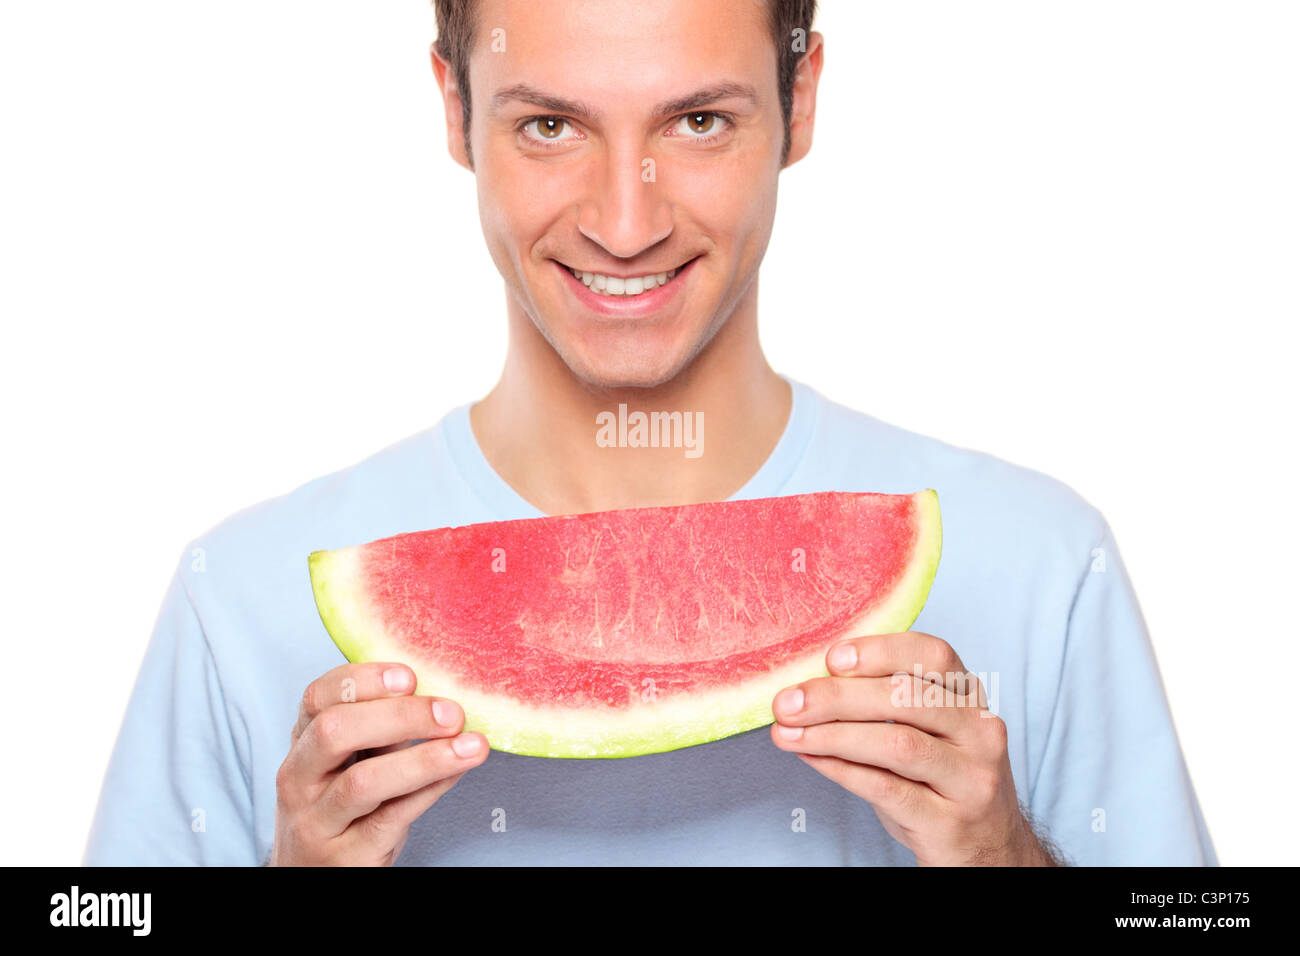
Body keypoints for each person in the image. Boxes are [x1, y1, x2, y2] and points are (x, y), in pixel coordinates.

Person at [84, 0, 1216, 866]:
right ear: (450, 110)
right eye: (548, 126)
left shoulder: (1037, 561)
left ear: (803, 97)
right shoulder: (241, 599)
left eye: (699, 120)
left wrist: (1008, 862)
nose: (625, 223)